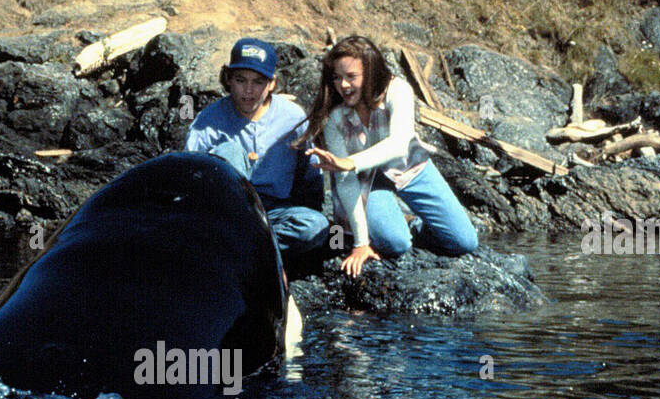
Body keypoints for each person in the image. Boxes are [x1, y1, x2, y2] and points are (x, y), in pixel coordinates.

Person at [299, 35, 479, 277]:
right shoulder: (334, 117)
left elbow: (398, 145)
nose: (343, 85)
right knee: (394, 243)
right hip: (363, 180)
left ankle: (411, 223)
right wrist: (361, 244)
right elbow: (344, 181)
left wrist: (350, 162)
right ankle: (356, 228)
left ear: (370, 72)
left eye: (351, 76)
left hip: (408, 166)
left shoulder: (398, 89)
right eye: (337, 77)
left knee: (465, 242)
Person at [186, 37, 329, 266]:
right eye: (241, 80)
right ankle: (248, 248)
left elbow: (310, 174)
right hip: (225, 212)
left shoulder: (293, 118)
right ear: (229, 80)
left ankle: (242, 250)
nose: (249, 91)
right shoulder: (207, 121)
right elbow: (189, 178)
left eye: (258, 82)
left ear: (272, 83)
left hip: (273, 213)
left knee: (316, 226)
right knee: (228, 151)